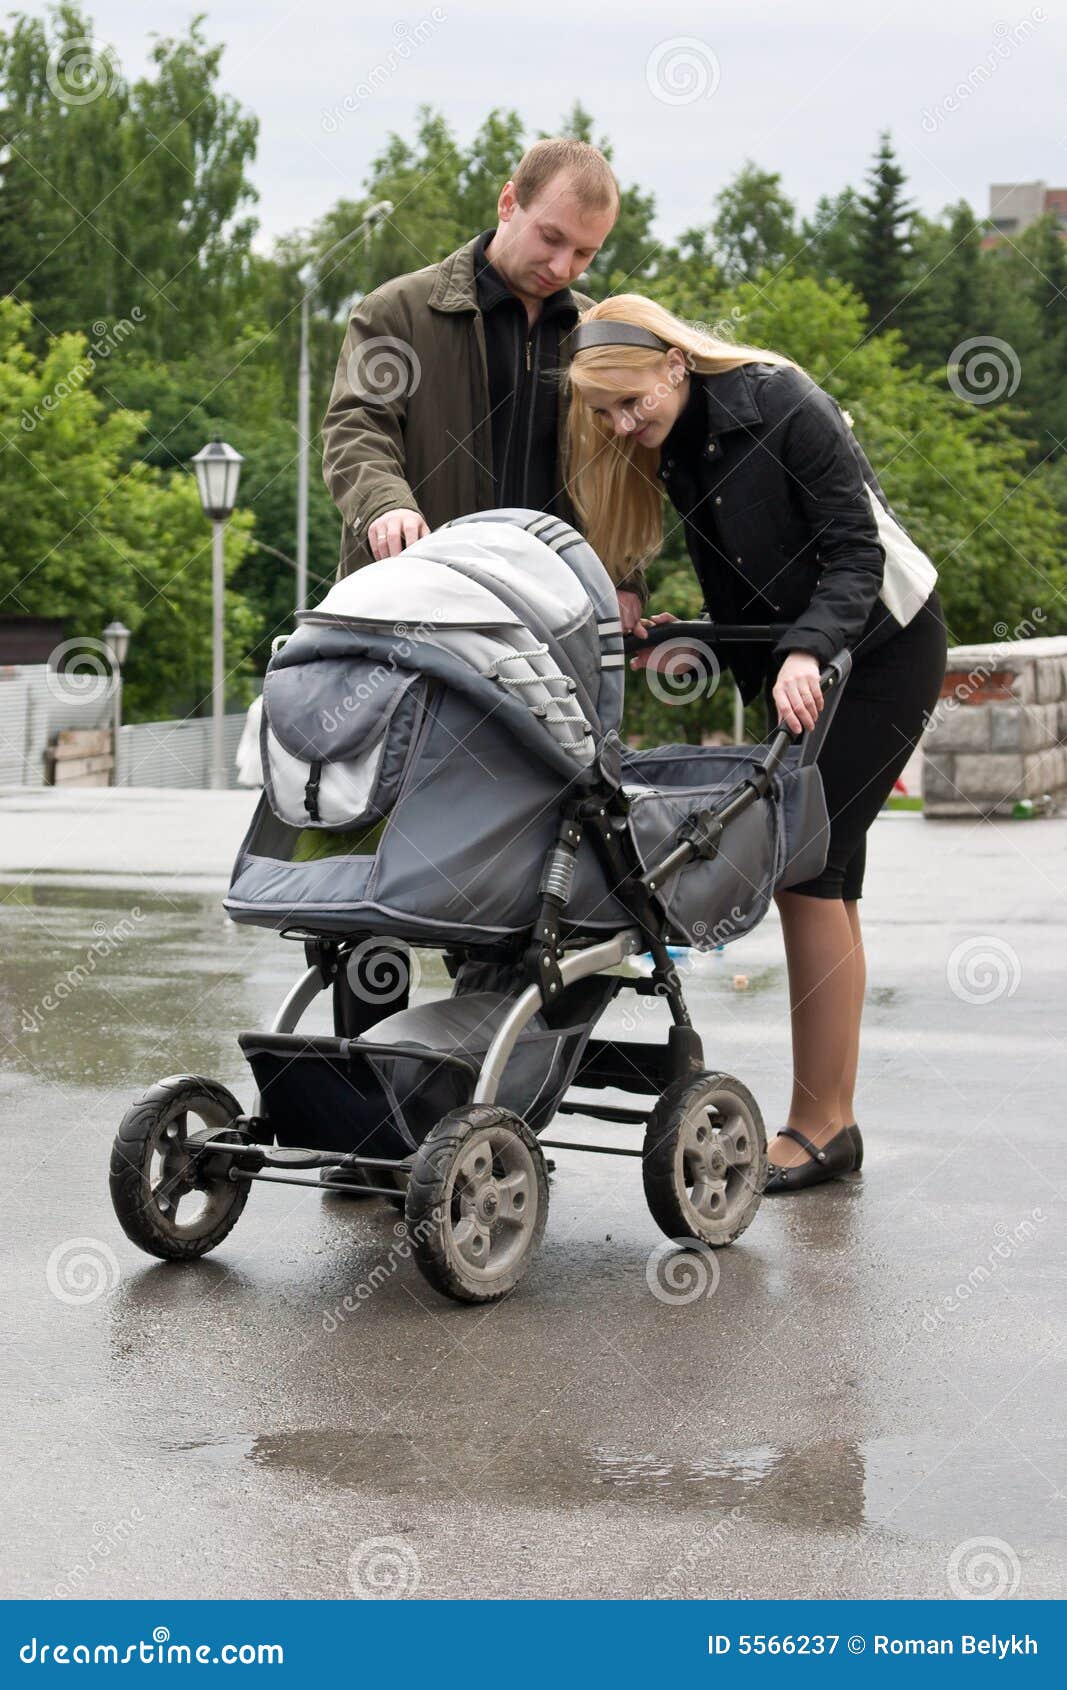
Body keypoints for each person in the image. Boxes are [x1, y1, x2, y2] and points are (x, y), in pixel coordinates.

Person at [564, 294, 948, 1193]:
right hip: (804, 658)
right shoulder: (672, 435)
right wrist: (685, 630)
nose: (622, 426)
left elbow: (853, 552)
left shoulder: (782, 400)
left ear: (674, 363)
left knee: (805, 871)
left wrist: (807, 649)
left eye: (630, 403)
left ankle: (818, 1126)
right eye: (605, 414)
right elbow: (750, 574)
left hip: (881, 647)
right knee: (826, 878)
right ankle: (832, 1123)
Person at [320, 137, 648, 619]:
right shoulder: (397, 311)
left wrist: (624, 578)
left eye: (585, 253)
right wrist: (386, 506)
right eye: (550, 237)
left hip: (555, 618)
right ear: (508, 202)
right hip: (410, 605)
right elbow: (356, 428)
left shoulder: (596, 337)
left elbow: (620, 470)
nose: (562, 267)